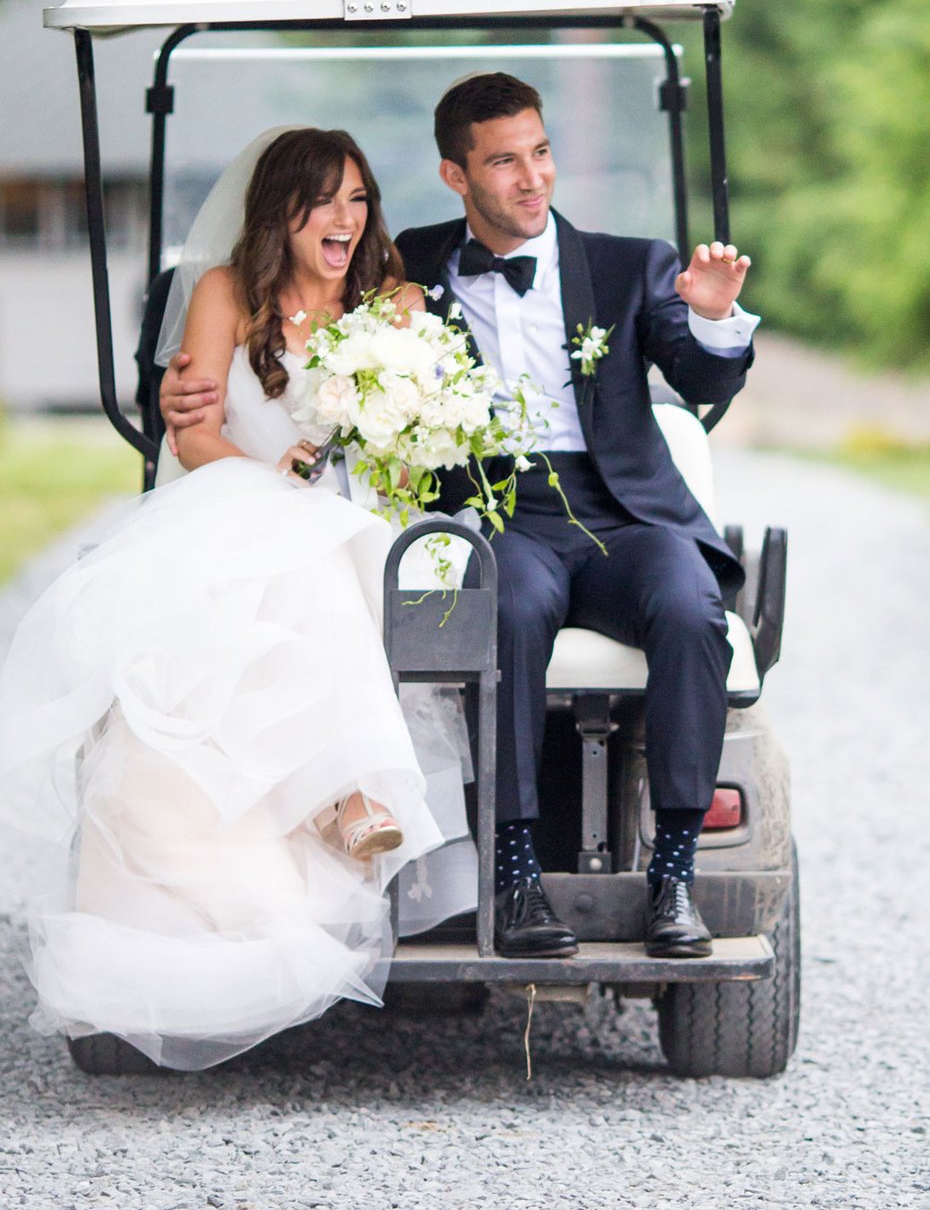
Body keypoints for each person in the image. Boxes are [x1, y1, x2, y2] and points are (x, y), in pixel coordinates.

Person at [168, 75, 758, 960]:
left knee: (687, 602)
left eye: (542, 153)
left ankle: (674, 877)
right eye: (506, 162)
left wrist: (713, 320)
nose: (533, 179)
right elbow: (307, 332)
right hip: (497, 517)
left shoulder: (632, 263)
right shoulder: (407, 267)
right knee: (504, 606)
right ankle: (517, 878)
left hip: (624, 517)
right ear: (457, 175)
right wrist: (183, 390)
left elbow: (704, 380)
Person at [0, 128, 465, 1071]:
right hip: (241, 495)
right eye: (325, 201)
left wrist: (373, 455)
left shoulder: (395, 302)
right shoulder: (225, 296)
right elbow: (195, 439)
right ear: (281, 213)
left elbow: (416, 450)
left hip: (365, 514)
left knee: (327, 540)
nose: (347, 220)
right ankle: (345, 791)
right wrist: (274, 475)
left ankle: (341, 792)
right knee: (289, 547)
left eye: (360, 201)